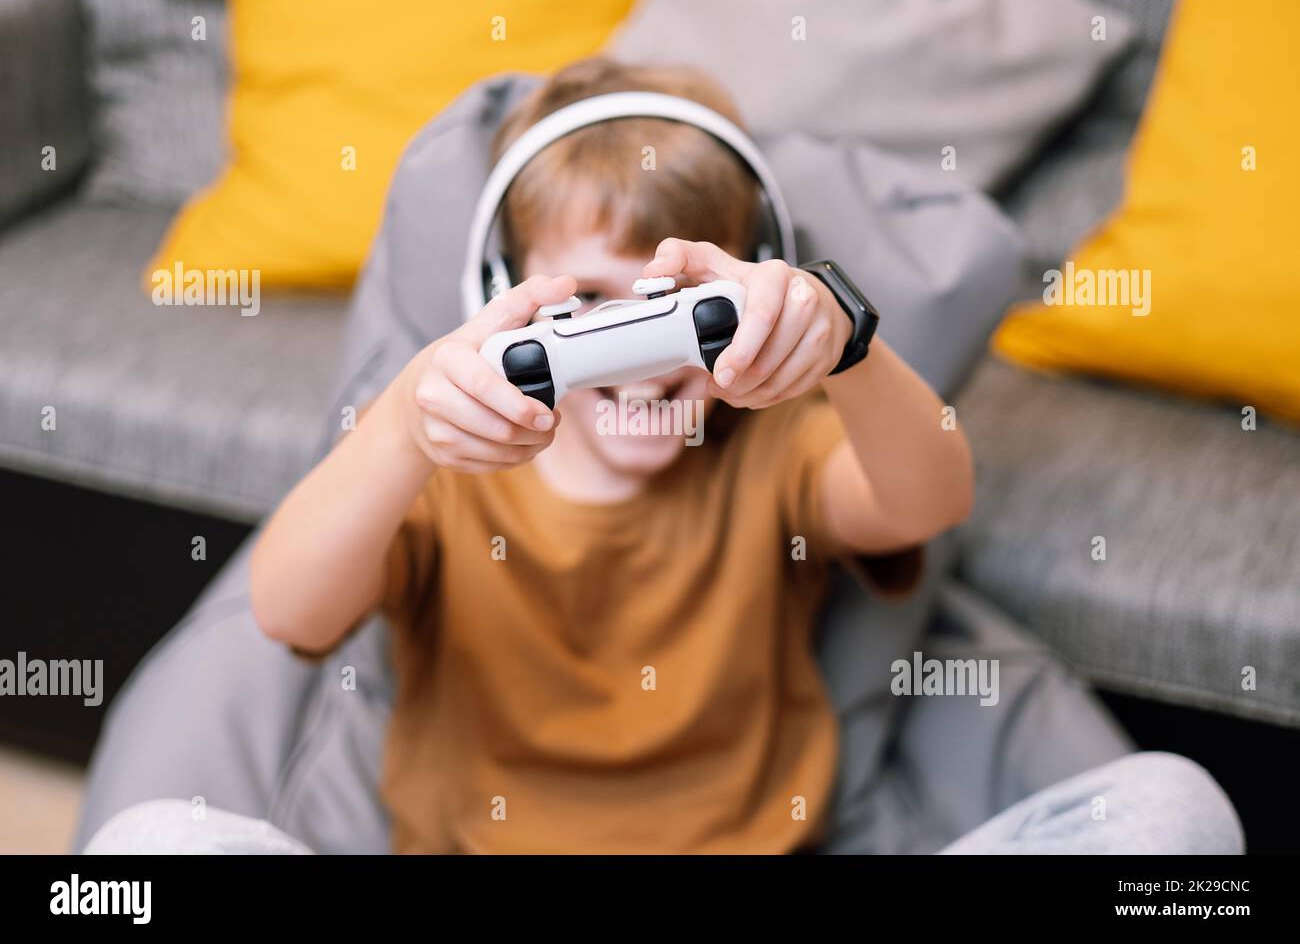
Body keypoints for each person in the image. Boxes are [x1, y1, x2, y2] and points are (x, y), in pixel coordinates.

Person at [86, 58, 1242, 855]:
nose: (638, 354)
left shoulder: (775, 451)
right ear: (505, 300)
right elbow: (281, 609)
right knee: (144, 852)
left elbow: (925, 498)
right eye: (590, 304)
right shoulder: (450, 465)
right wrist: (399, 425)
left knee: (1170, 812)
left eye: (680, 302)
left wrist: (844, 342)